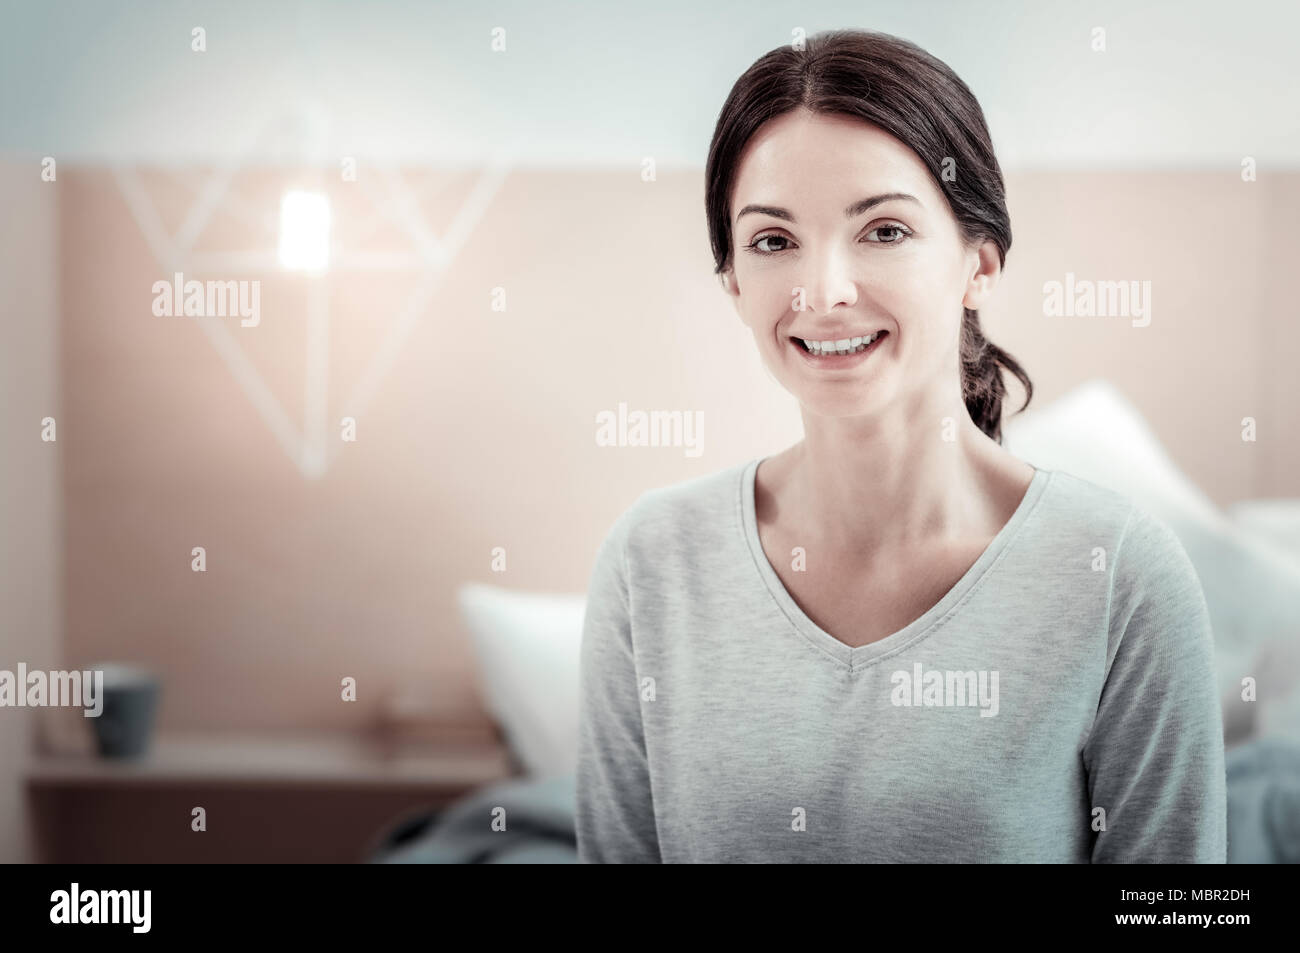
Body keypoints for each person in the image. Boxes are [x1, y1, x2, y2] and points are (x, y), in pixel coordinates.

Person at [575, 29, 1227, 863]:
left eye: (883, 230)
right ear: (734, 283)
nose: (825, 291)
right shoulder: (652, 563)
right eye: (774, 241)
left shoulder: (1120, 576)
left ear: (979, 263)